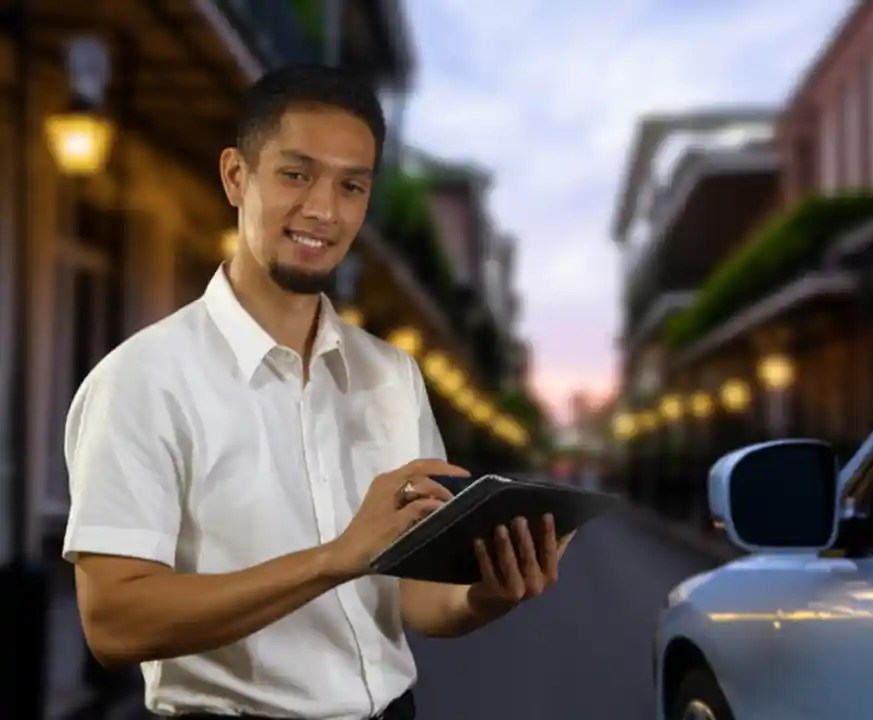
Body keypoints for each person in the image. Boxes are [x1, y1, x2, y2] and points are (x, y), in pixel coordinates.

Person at [61, 64, 572, 719]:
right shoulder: (140, 379)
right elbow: (113, 624)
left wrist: (489, 595)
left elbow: (413, 598)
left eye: (351, 185)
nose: (324, 210)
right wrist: (334, 559)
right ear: (236, 177)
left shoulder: (393, 375)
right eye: (296, 174)